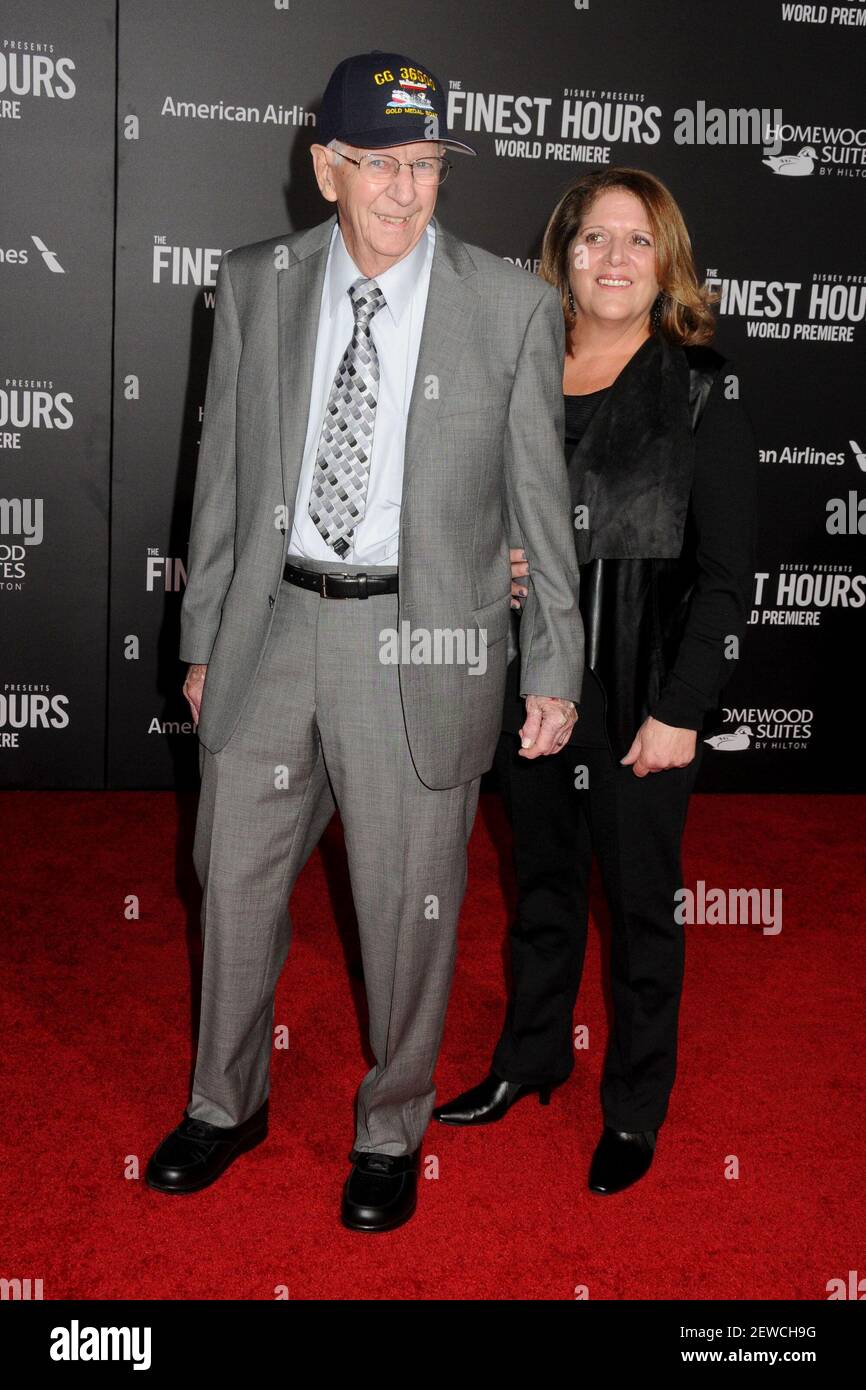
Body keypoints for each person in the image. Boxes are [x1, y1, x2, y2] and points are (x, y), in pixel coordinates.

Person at [144, 49, 583, 1232]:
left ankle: (389, 1128)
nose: (405, 189)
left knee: (407, 906)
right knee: (229, 882)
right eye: (380, 164)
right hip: (272, 626)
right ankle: (223, 1104)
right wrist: (200, 641)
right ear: (324, 167)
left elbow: (542, 507)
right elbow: (223, 483)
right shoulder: (255, 284)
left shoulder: (510, 305)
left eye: (426, 163)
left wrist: (552, 661)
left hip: (422, 639)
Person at [434, 168, 758, 1196]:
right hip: (533, 680)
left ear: (663, 261)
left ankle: (633, 1105)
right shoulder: (516, 370)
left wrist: (677, 709)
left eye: (633, 240)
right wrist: (502, 565)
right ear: (560, 256)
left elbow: (722, 574)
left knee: (638, 906)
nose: (611, 259)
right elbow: (465, 524)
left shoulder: (697, 385)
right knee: (538, 890)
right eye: (590, 240)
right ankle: (530, 1057)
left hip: (637, 697)